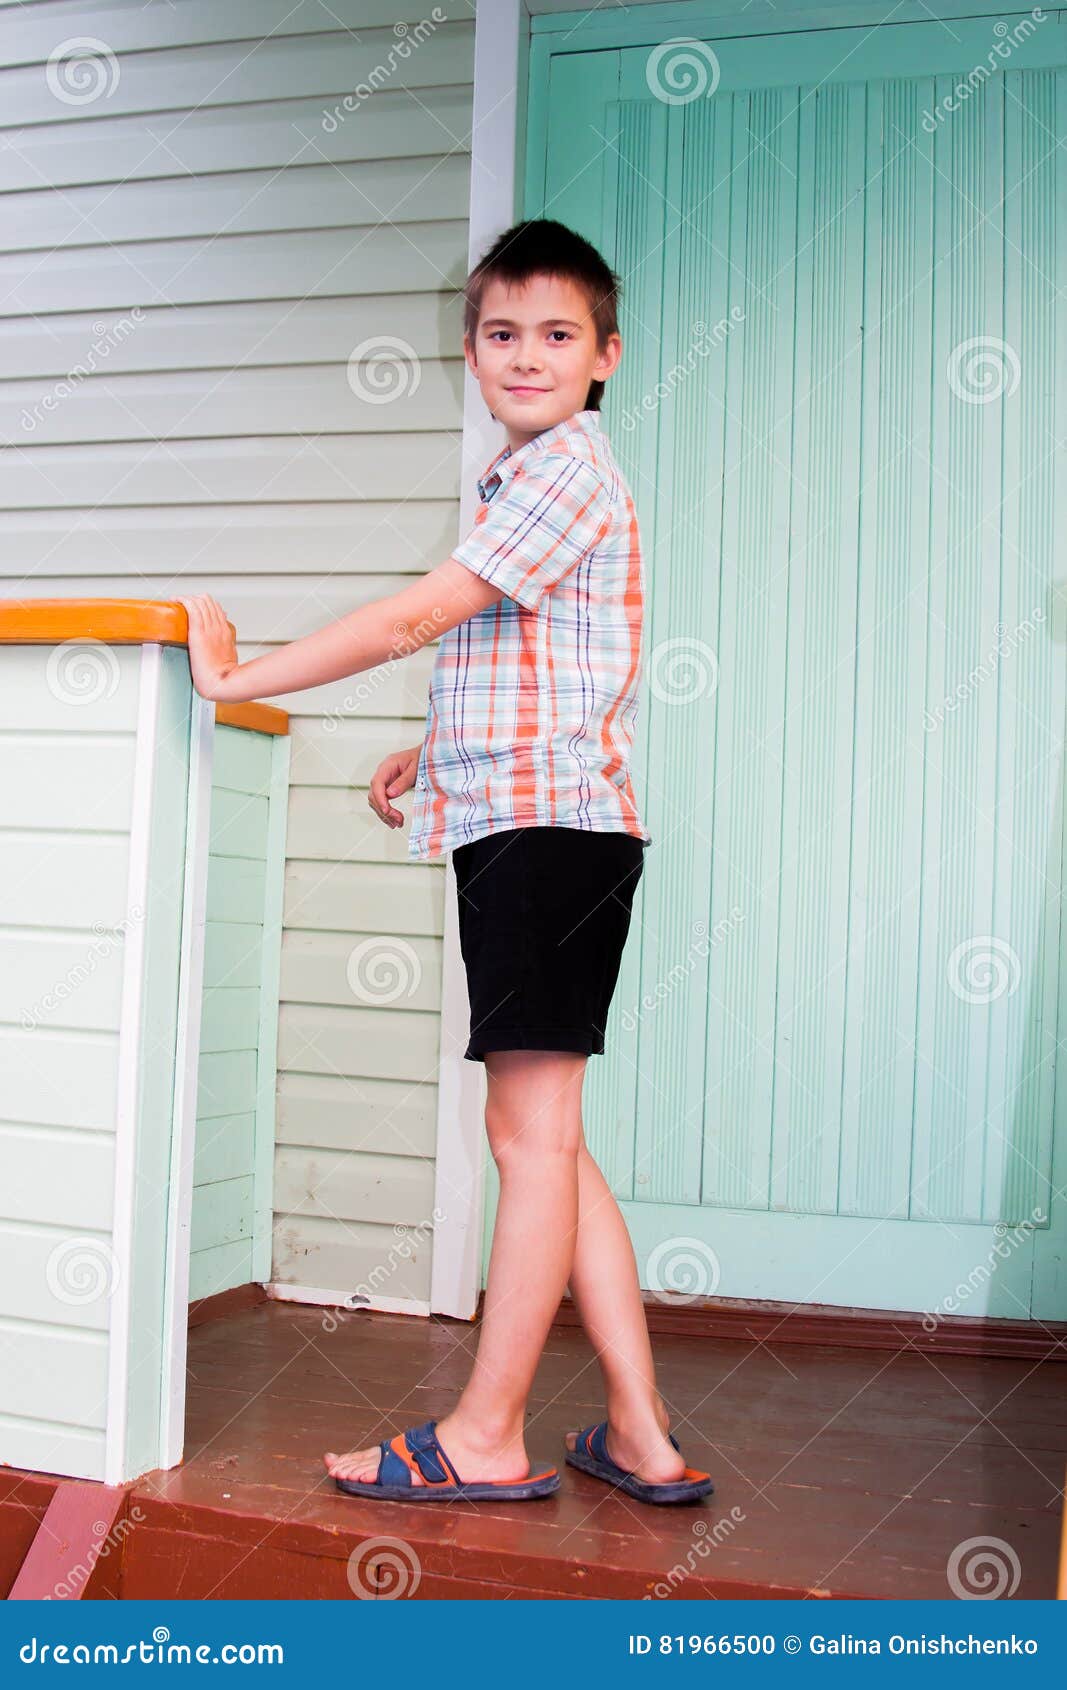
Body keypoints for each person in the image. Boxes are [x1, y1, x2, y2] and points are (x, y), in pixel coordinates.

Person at [180, 218, 713, 1508]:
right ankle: (639, 1432)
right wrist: (440, 741)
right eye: (500, 333)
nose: (526, 355)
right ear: (471, 353)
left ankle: (484, 1435)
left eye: (557, 335)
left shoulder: (561, 471)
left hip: (546, 836)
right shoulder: (537, 476)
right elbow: (542, 655)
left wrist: (238, 677)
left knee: (529, 1143)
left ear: (606, 356)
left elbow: (420, 612)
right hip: (541, 820)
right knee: (550, 1140)